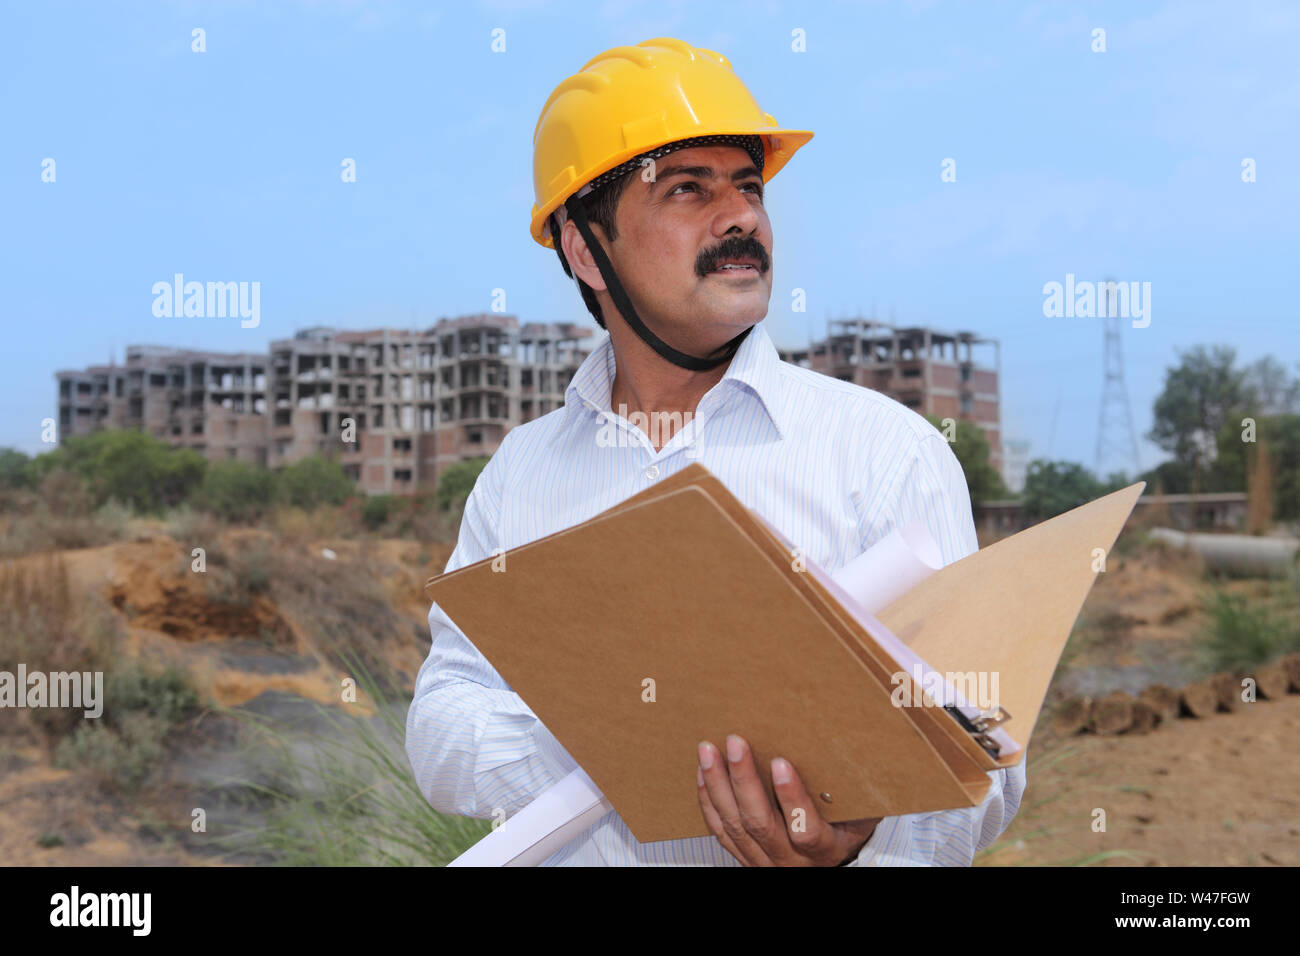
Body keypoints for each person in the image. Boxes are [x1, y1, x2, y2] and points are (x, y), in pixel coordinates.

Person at [406, 36, 1024, 866]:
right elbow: (442, 721)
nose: (740, 218)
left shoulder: (884, 455)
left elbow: (990, 767)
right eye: (687, 190)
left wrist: (857, 843)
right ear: (586, 247)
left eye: (747, 187)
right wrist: (604, 722)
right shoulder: (521, 475)